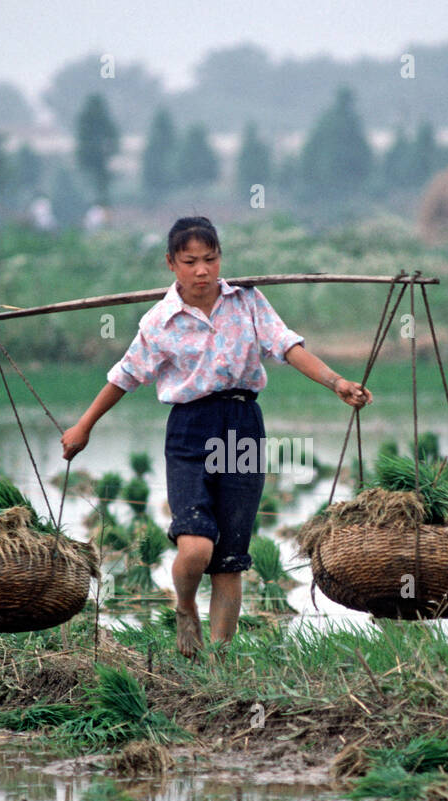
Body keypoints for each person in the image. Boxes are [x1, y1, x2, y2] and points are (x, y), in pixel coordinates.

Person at [60, 216, 372, 659]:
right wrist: (84, 425)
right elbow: (125, 376)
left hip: (242, 424)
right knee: (196, 546)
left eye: (210, 259)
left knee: (229, 559)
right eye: (190, 261)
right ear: (171, 264)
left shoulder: (246, 301)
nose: (202, 270)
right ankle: (185, 607)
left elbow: (287, 346)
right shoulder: (159, 322)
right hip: (190, 430)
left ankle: (220, 660)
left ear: (220, 259)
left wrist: (337, 382)